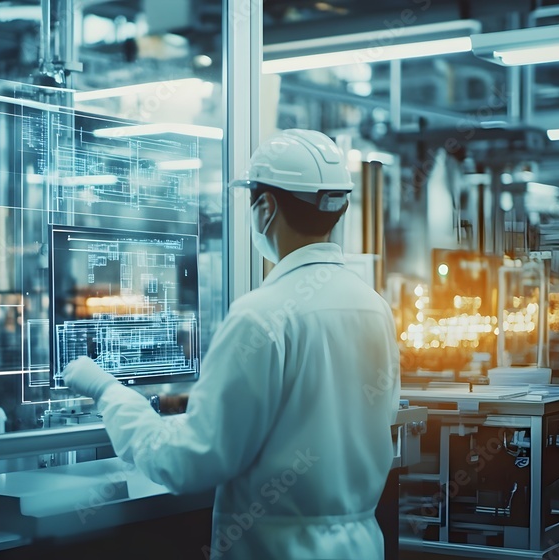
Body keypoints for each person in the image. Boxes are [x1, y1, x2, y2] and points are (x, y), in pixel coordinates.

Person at [64, 129, 401, 559]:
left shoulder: (260, 315)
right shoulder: (372, 307)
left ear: (265, 208)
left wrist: (110, 395)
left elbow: (187, 463)